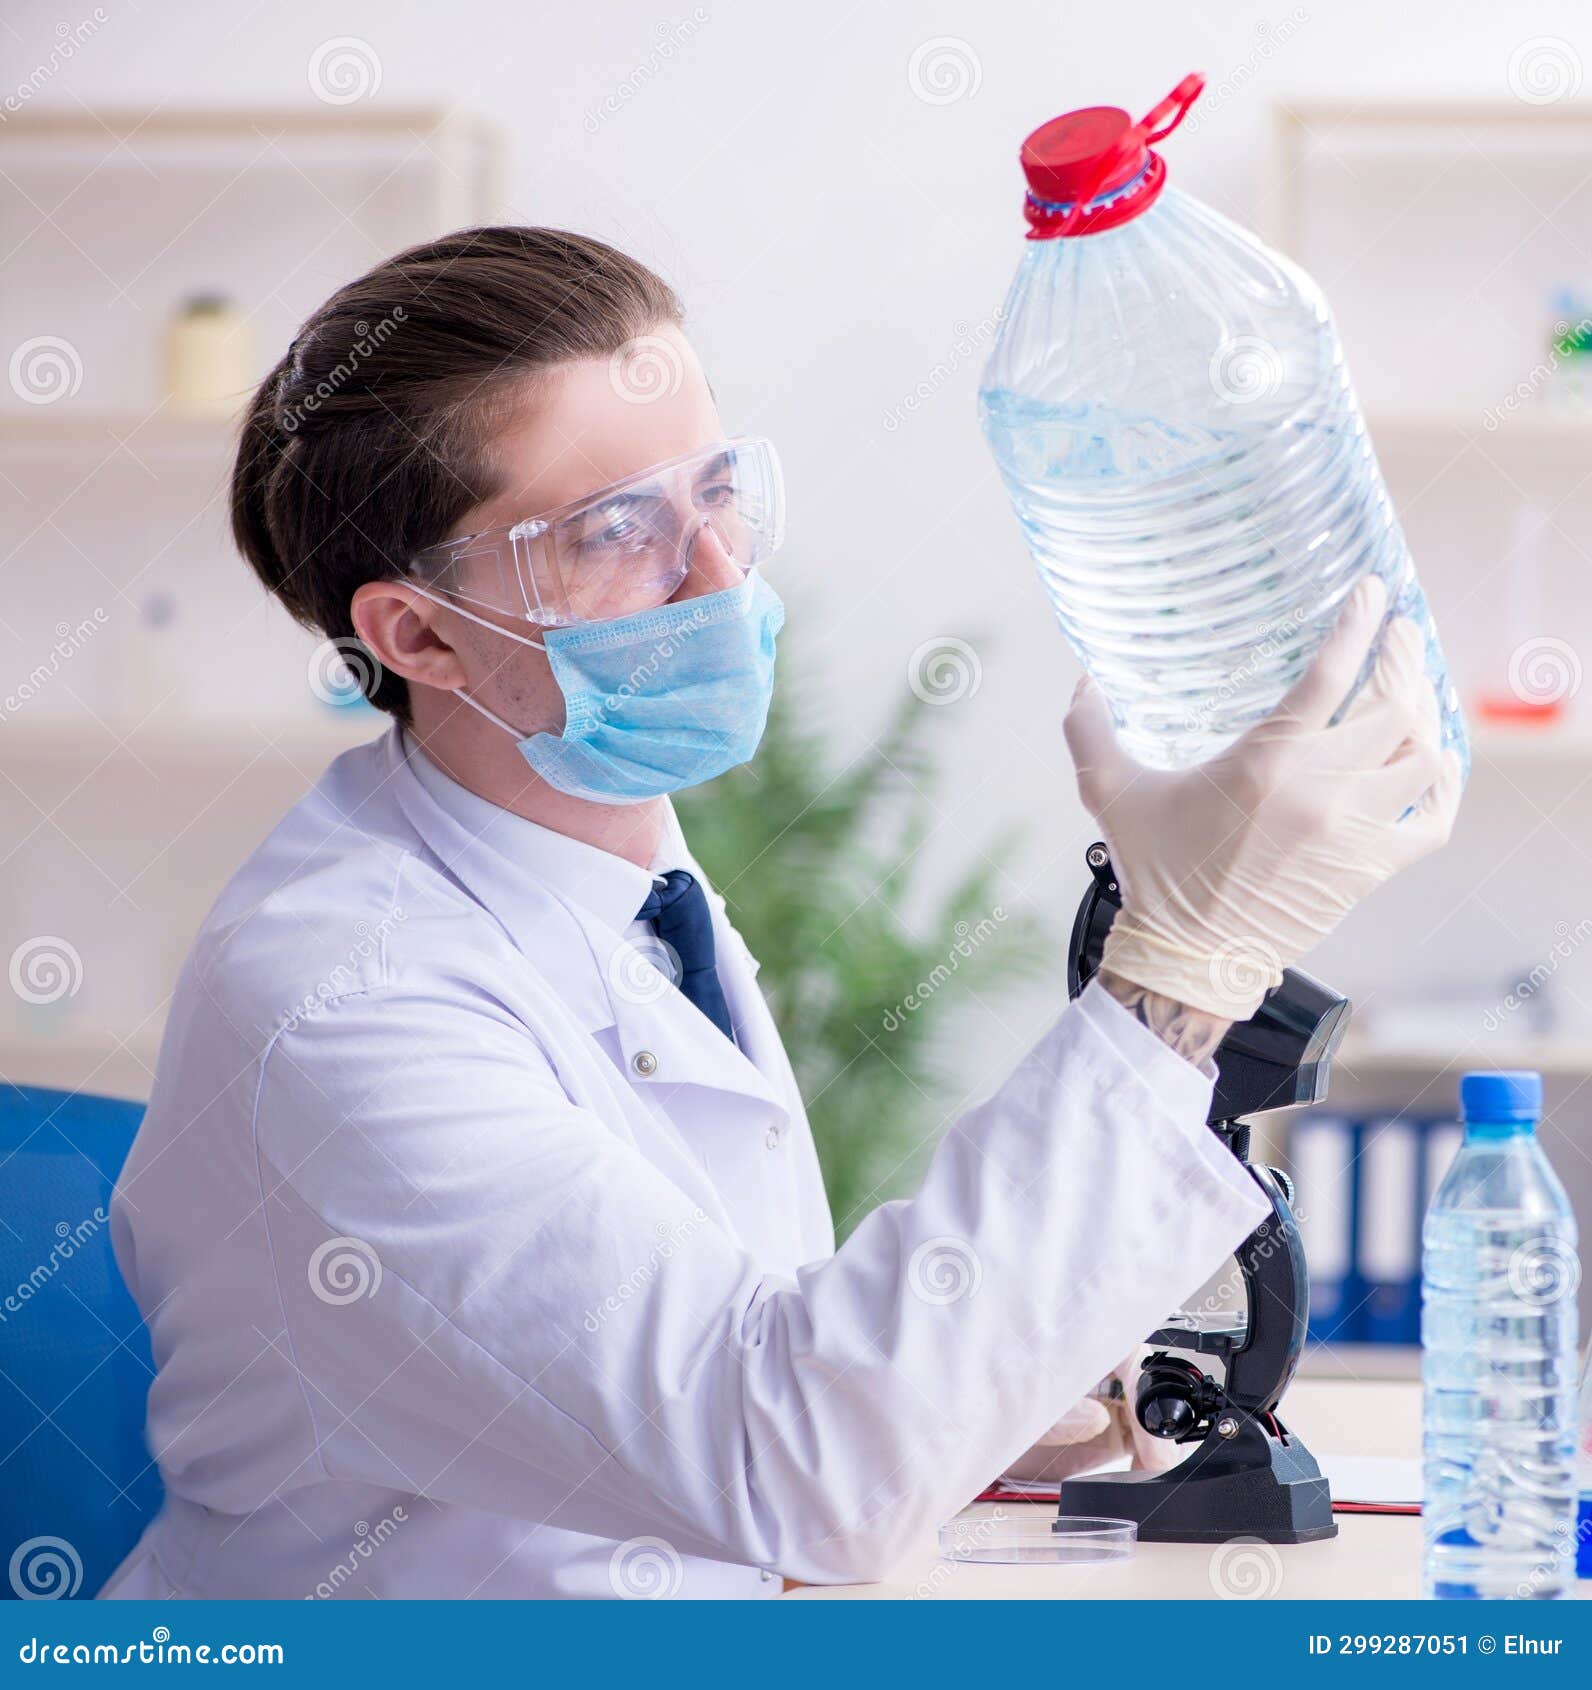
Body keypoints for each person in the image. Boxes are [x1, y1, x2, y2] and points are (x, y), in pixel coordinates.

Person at [101, 227, 1461, 1600]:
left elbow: (750, 1365)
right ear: (422, 638)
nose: (714, 574)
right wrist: (1179, 965)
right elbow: (792, 1462)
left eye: (718, 491)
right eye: (613, 530)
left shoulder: (614, 878)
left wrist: (1001, 1379)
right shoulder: (343, 1001)